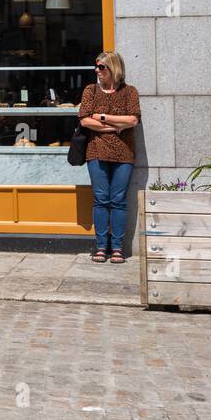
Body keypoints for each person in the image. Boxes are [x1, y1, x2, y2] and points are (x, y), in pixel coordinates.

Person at [79, 51, 141, 264]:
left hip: (124, 154)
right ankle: (100, 246)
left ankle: (117, 248)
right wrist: (116, 127)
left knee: (118, 201)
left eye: (101, 67)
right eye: (96, 66)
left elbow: (132, 120)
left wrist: (103, 117)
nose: (97, 71)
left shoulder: (130, 92)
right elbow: (85, 121)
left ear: (114, 68)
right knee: (101, 199)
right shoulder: (91, 91)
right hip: (96, 151)